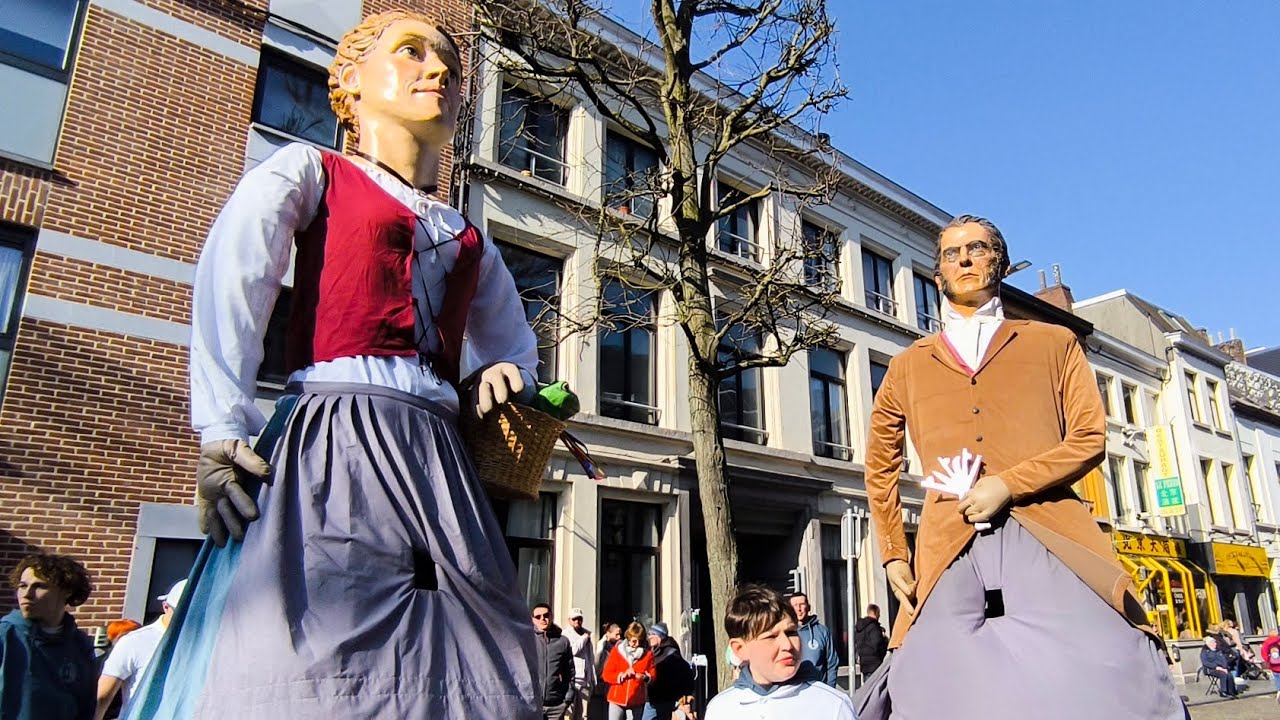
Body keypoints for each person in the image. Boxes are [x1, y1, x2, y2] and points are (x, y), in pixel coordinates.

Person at [128, 10, 542, 719]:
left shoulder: (469, 235)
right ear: (350, 79)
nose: (438, 71)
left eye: (449, 63)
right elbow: (237, 273)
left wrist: (505, 376)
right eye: (411, 53)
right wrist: (223, 421)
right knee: (313, 638)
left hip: (439, 457)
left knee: (472, 634)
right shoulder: (310, 170)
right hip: (334, 435)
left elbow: (511, 343)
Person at [864, 215, 1186, 720]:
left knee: (1109, 667)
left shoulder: (1053, 343)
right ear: (938, 276)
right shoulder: (907, 364)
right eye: (952, 253)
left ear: (1002, 263)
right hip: (945, 538)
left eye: (978, 248)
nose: (965, 259)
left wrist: (1009, 483)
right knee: (926, 681)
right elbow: (880, 462)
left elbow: (1089, 437)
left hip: (1049, 525)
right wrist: (891, 552)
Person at [703, 584, 854, 719]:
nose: (787, 645)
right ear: (740, 649)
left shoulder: (832, 706)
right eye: (771, 636)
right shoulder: (720, 709)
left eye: (791, 633)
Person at [0, 554, 96, 720]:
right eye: (22, 586)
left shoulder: (80, 646)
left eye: (39, 586)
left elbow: (86, 706)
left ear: (67, 591)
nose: (27, 594)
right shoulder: (5, 636)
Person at [94, 580, 187, 720]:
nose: (187, 617)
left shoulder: (207, 640)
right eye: (181, 611)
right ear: (166, 607)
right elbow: (103, 695)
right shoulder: (135, 642)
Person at [602, 623, 656, 720]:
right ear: (628, 637)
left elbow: (653, 674)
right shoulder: (617, 651)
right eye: (634, 641)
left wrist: (646, 677)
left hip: (637, 698)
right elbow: (606, 674)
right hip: (617, 697)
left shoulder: (648, 654)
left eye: (640, 640)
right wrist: (622, 675)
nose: (637, 644)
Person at [642, 623, 693, 720]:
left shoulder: (671, 654)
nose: (650, 637)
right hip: (654, 698)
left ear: (659, 636)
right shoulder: (654, 651)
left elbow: (684, 673)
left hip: (661, 698)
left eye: (652, 634)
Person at [534, 604, 575, 720]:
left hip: (556, 706)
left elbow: (570, 672)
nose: (542, 619)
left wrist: (567, 699)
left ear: (551, 616)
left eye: (546, 615)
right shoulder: (527, 639)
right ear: (533, 620)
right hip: (533, 704)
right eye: (538, 617)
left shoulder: (563, 642)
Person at [788, 593, 839, 687]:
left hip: (819, 691)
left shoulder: (822, 631)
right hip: (794, 692)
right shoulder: (786, 633)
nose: (799, 609)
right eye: (795, 605)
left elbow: (832, 662)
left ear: (809, 607)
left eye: (802, 604)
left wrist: (830, 689)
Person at [563, 608, 595, 720]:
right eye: (574, 619)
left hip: (585, 681)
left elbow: (590, 657)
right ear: (569, 620)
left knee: (583, 715)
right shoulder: (565, 634)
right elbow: (573, 651)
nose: (577, 621)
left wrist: (592, 678)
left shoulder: (586, 634)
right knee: (569, 713)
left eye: (579, 619)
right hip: (572, 680)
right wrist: (584, 638)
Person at [590, 623, 621, 720]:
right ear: (608, 634)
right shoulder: (602, 646)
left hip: (614, 681)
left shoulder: (620, 646)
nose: (619, 637)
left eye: (620, 634)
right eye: (616, 634)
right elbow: (597, 662)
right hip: (602, 680)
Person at [853, 604, 889, 679]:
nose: (879, 616)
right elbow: (877, 644)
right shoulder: (874, 627)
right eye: (879, 613)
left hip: (864, 665)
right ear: (876, 613)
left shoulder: (860, 629)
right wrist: (885, 643)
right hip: (875, 664)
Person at [1258, 629, 1280, 701]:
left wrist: (1268, 660)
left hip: (1273, 664)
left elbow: (1264, 653)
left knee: (1277, 678)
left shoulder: (1266, 643)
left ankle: (1278, 691)